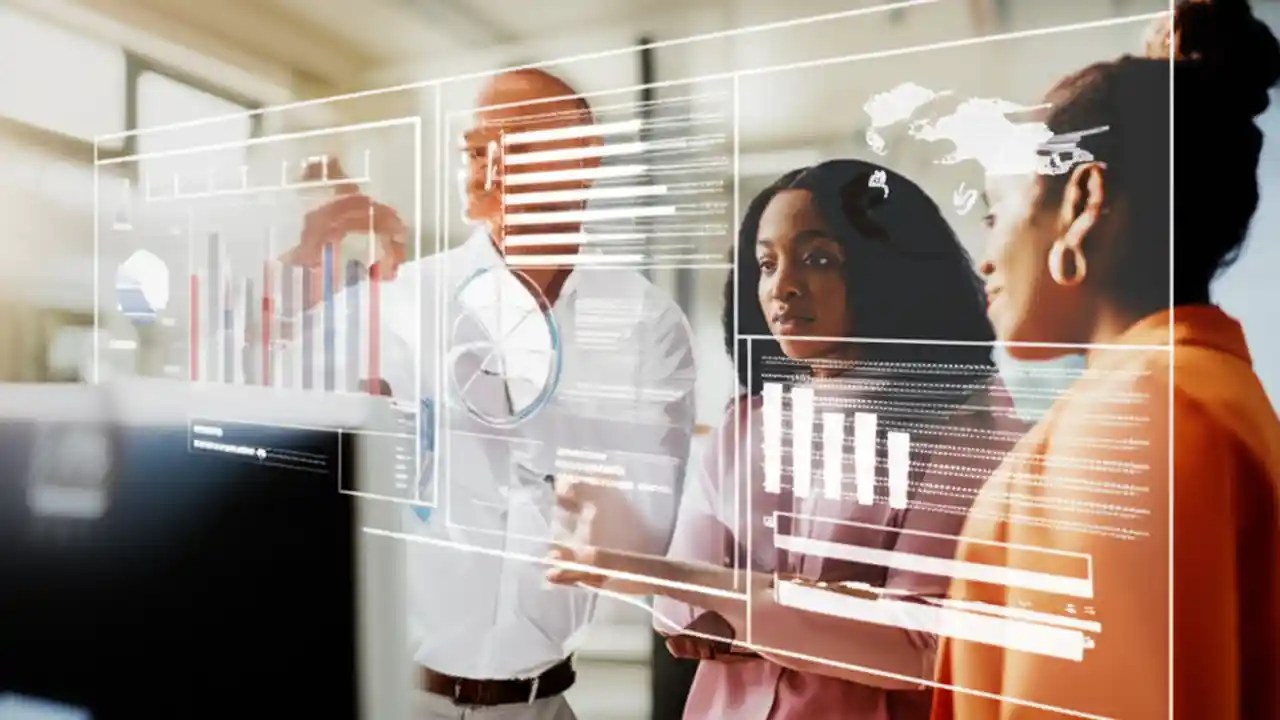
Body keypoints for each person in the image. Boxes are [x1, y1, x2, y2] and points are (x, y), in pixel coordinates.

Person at [287, 68, 697, 719]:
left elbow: (644, 535)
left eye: (517, 142)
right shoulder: (393, 303)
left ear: (583, 156)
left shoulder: (646, 324)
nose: (485, 164)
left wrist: (513, 408)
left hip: (542, 704)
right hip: (396, 698)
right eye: (475, 148)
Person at [548, 160, 1025, 719]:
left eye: (817, 259)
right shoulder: (746, 422)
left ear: (887, 268)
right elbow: (680, 621)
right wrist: (815, 613)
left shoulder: (970, 427)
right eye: (767, 264)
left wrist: (734, 600)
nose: (782, 287)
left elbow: (918, 649)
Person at [932, 2, 1280, 718]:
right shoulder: (1207, 397)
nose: (985, 258)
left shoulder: (1125, 428)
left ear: (1083, 201)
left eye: (998, 208)